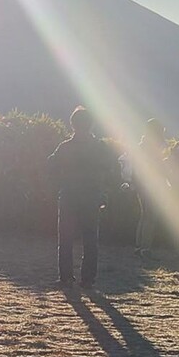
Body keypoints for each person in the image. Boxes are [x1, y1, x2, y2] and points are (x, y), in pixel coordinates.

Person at [47, 105, 117, 289]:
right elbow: (112, 168)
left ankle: (66, 277)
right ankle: (88, 279)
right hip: (92, 196)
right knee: (91, 239)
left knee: (65, 239)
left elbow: (51, 166)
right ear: (91, 124)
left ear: (73, 125)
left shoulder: (65, 147)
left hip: (69, 195)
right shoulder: (100, 147)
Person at [132, 118, 169, 257]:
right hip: (153, 183)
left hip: (141, 183)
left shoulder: (142, 145)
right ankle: (145, 248)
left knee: (144, 214)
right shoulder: (158, 147)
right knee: (150, 216)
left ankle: (139, 245)